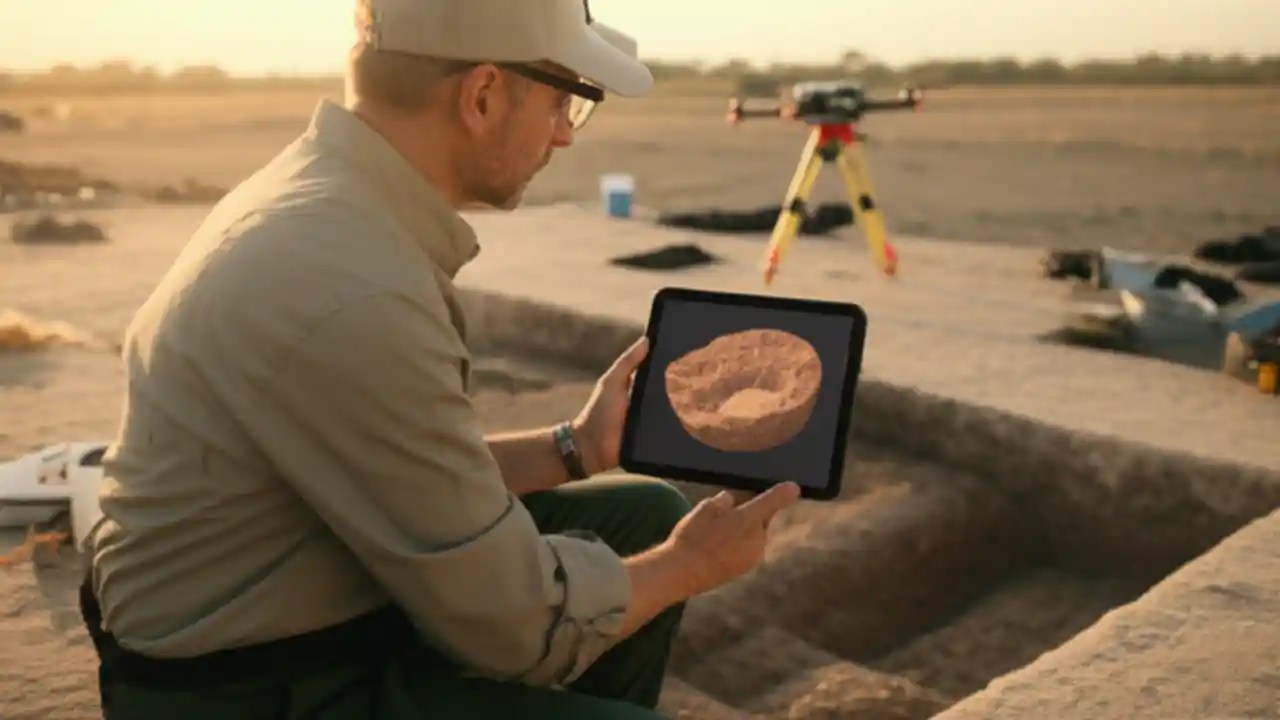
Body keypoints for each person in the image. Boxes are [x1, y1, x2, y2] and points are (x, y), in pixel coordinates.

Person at [78, 0, 801, 717]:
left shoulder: (318, 199)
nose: (564, 136)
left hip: (287, 604)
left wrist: (576, 447)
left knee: (641, 511)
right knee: (648, 568)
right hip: (248, 686)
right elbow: (520, 630)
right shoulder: (352, 288)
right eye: (566, 101)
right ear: (483, 95)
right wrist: (690, 566)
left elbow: (401, 470)